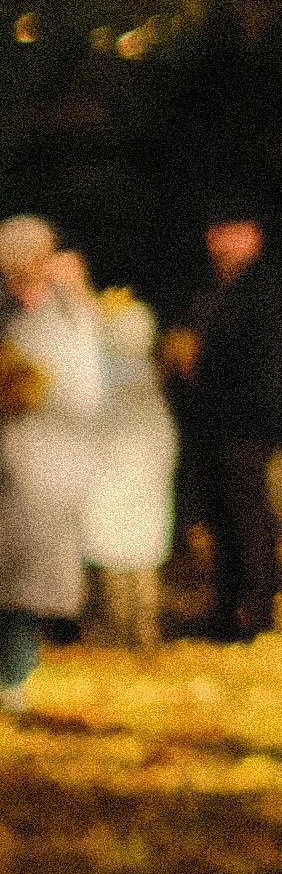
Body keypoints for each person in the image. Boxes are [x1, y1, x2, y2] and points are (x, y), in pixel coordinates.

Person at [171, 205, 282, 641]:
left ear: (253, 236)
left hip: (245, 422)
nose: (217, 241)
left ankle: (255, 605)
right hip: (213, 418)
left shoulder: (264, 291)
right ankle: (226, 603)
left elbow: (269, 365)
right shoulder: (215, 289)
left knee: (246, 512)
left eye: (229, 232)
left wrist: (206, 366)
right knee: (221, 514)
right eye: (214, 232)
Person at [0, 216, 104, 706]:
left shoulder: (71, 310)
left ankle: (16, 676)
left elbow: (89, 386)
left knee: (31, 581)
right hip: (9, 456)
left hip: (52, 461)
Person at [78, 289, 178, 647]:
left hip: (122, 461)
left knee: (115, 539)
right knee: (133, 541)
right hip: (130, 462)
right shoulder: (145, 377)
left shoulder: (108, 371)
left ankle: (121, 626)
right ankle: (137, 626)